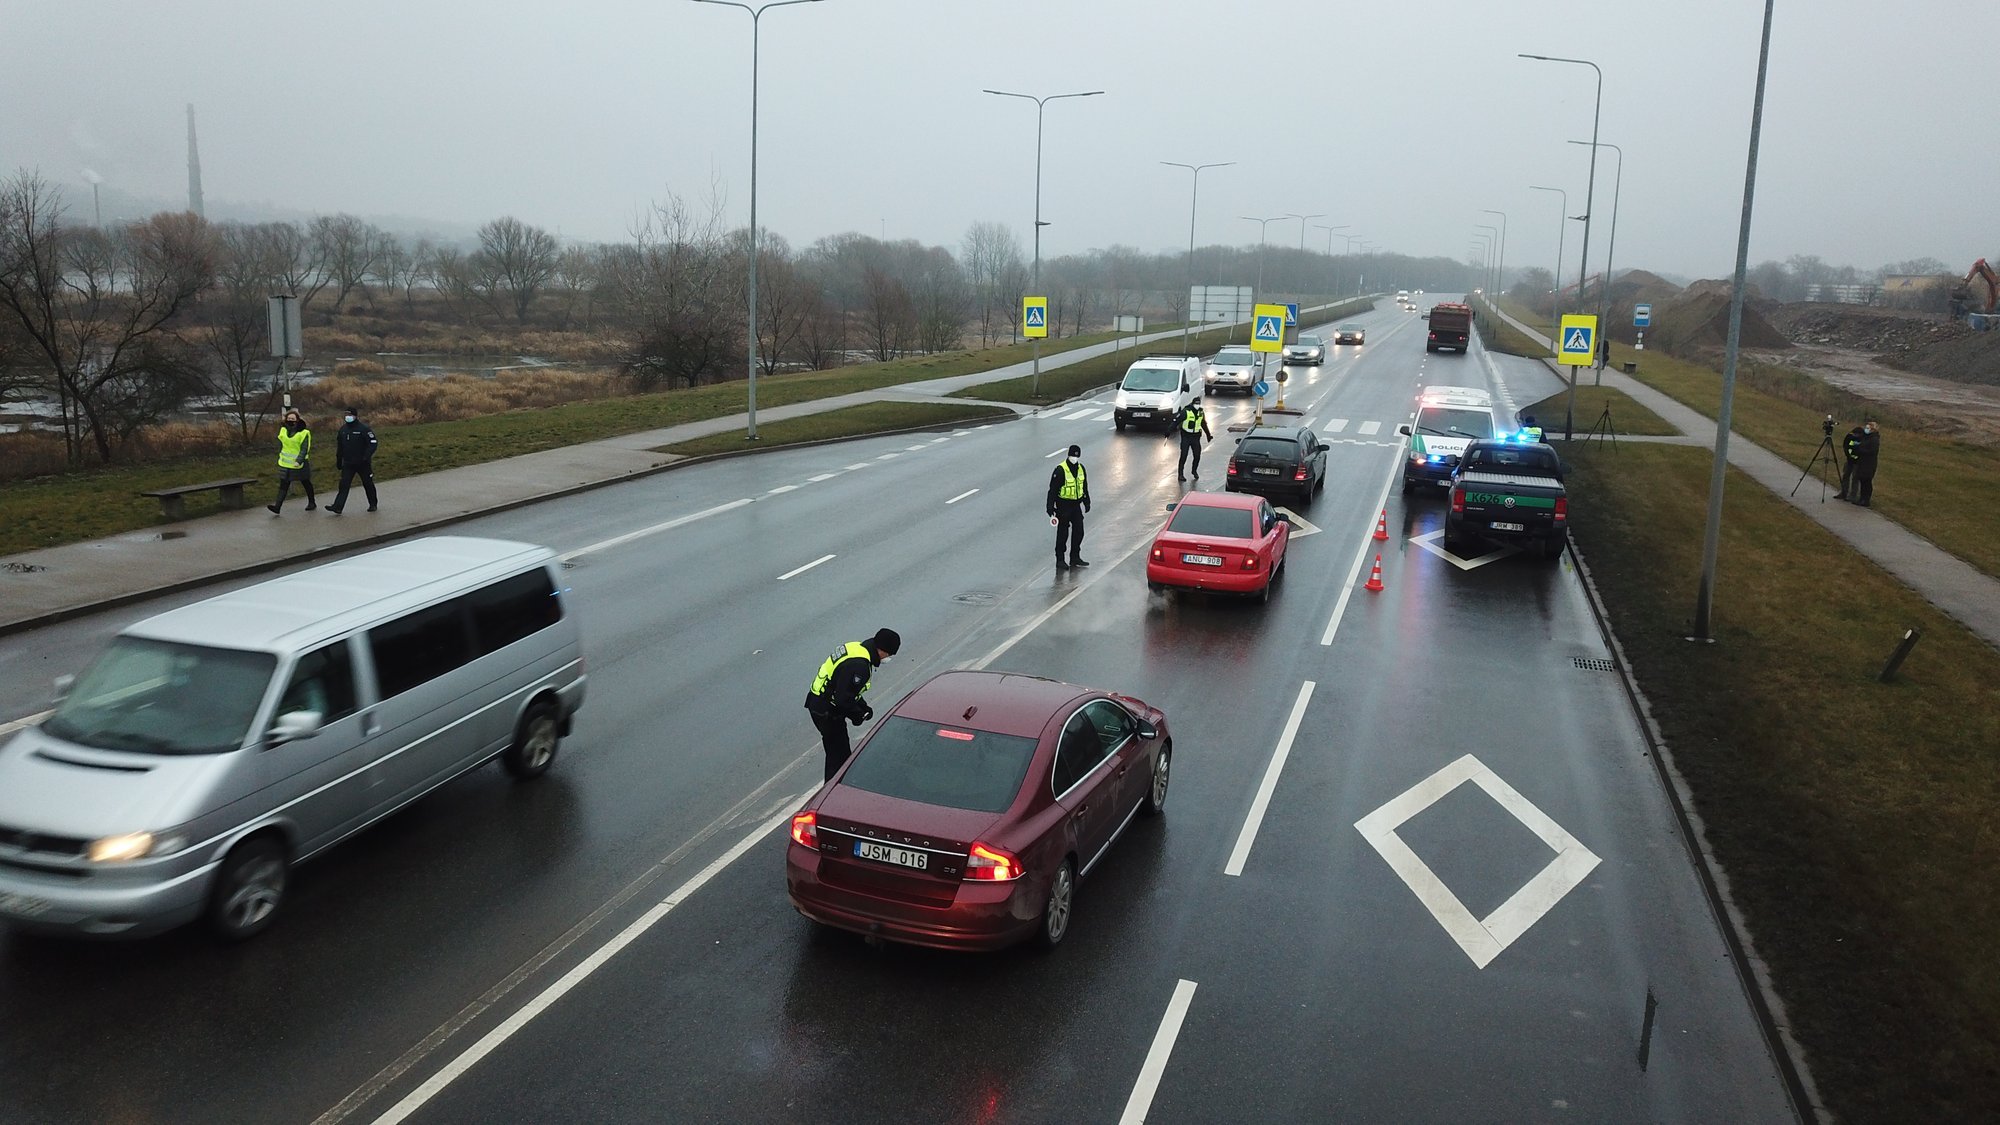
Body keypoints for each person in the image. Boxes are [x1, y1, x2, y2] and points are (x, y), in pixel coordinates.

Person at [803, 628, 900, 781]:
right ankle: (831, 795)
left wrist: (862, 706)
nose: (887, 658)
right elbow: (843, 699)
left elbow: (846, 688)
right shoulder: (860, 666)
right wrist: (858, 715)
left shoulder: (856, 648)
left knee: (837, 753)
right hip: (827, 712)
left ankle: (832, 790)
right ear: (883, 650)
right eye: (889, 654)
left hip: (818, 702)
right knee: (839, 759)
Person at [326, 406, 379, 514]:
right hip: (348, 463)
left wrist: (366, 457)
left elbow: (373, 443)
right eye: (346, 415)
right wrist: (339, 460)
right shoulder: (343, 430)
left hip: (363, 463)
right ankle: (338, 506)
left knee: (368, 483)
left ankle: (373, 504)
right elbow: (340, 446)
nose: (348, 417)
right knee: (344, 485)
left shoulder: (363, 429)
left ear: (355, 416)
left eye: (350, 415)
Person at [1047, 443, 1091, 569]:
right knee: (1063, 533)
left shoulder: (1081, 468)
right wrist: (1050, 508)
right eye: (1072, 455)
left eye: (1076, 456)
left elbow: (1084, 486)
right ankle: (1060, 559)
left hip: (1076, 505)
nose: (1074, 458)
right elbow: (1052, 490)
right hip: (1063, 506)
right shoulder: (1060, 470)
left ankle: (1075, 557)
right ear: (1069, 455)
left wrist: (1087, 501)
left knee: (1079, 531)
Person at [266, 408, 316, 514]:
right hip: (285, 463)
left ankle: (312, 502)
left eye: (293, 418)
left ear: (297, 420)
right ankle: (277, 507)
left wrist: (299, 460)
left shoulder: (304, 433)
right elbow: (281, 444)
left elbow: (304, 448)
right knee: (284, 485)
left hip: (300, 464)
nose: (290, 420)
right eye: (288, 418)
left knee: (306, 482)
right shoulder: (283, 430)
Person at [1167, 399, 1214, 481]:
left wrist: (1208, 435)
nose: (1197, 405)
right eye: (1196, 403)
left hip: (1196, 437)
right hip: (1186, 436)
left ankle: (1194, 470)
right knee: (1184, 455)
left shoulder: (1201, 412)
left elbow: (1203, 424)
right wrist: (1168, 431)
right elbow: (1176, 421)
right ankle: (1180, 474)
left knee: (1197, 455)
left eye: (1199, 403)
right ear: (1192, 404)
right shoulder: (1186, 411)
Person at [1850, 419, 1881, 506]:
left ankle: (1866, 499)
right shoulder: (1866, 437)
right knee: (1862, 480)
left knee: (1867, 481)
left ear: (1872, 430)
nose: (1866, 429)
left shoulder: (1874, 439)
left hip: (1869, 463)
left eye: (1868, 428)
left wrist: (1860, 450)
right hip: (1862, 462)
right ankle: (1861, 498)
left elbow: (1872, 451)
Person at [1836, 422, 1867, 500]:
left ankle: (1853, 495)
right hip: (1849, 460)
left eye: (1856, 435)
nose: (1854, 436)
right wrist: (1848, 455)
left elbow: (1863, 450)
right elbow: (1845, 446)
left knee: (1855, 478)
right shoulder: (1849, 436)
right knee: (1845, 475)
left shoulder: (1864, 439)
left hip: (1858, 462)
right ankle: (1844, 492)